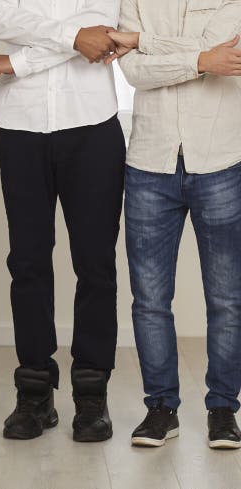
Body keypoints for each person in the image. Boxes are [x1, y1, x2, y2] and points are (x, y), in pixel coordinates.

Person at [0, 0, 126, 442]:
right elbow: (4, 20)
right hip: (22, 127)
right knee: (26, 263)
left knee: (96, 264)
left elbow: (100, 34)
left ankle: (91, 393)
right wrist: (71, 38)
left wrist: (18, 61)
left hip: (93, 123)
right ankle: (34, 392)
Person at [110, 0, 241, 449]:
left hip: (222, 160)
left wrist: (147, 43)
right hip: (149, 160)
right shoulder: (136, 2)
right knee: (149, 299)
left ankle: (223, 409)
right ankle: (161, 408)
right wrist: (201, 60)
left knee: (227, 298)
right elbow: (134, 73)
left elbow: (229, 58)